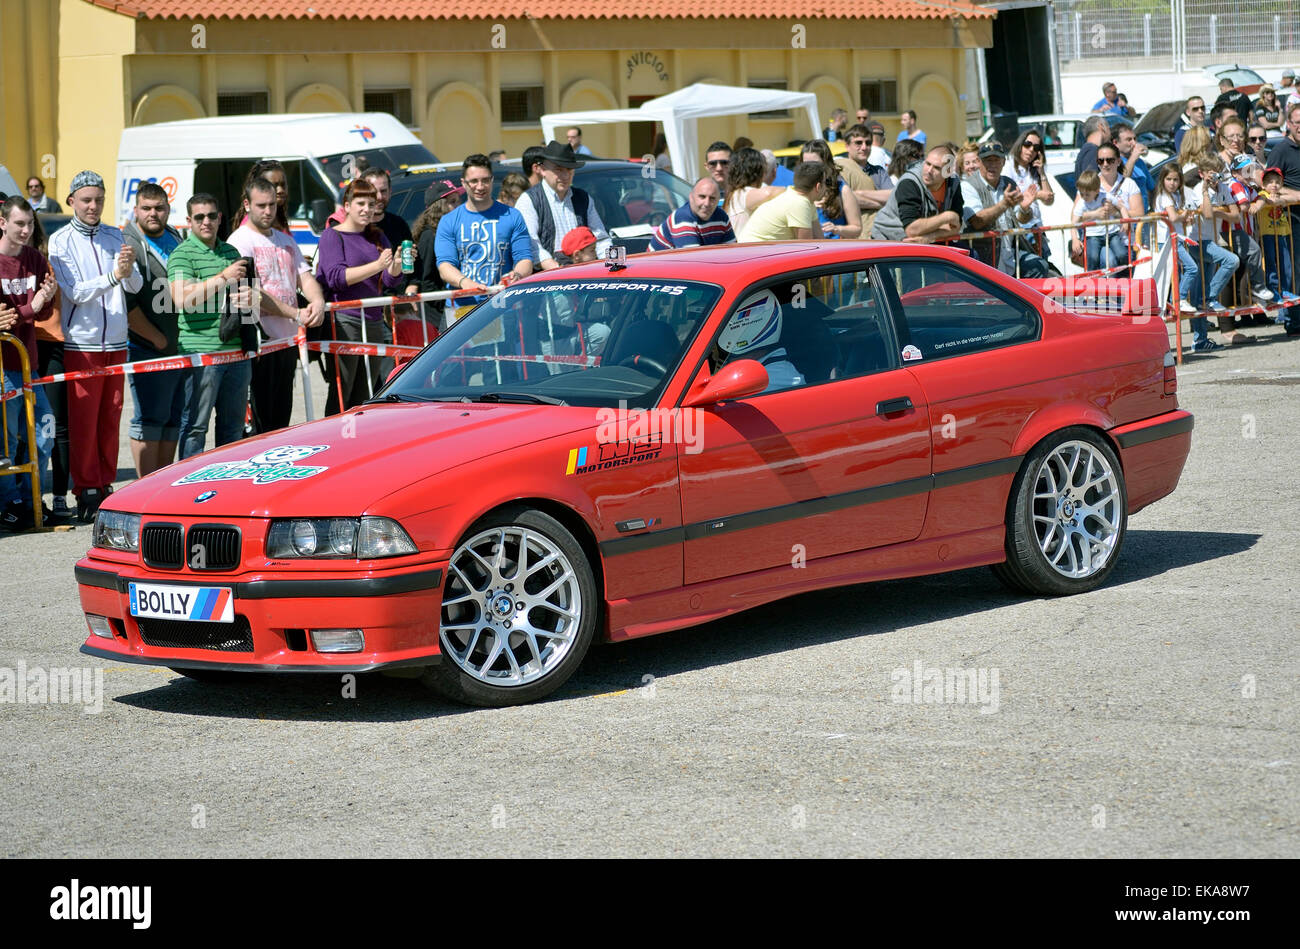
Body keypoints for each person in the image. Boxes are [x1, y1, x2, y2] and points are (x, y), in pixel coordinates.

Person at [46, 170, 142, 521]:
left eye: (99, 199)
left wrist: (128, 271)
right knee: (84, 421)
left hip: (116, 339)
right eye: (86, 199)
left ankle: (104, 484)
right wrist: (114, 276)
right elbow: (75, 292)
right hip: (81, 342)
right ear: (72, 200)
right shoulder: (59, 241)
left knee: (110, 417)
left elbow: (134, 285)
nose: (93, 206)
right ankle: (85, 488)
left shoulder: (115, 235)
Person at [228, 177, 327, 434]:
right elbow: (251, 293)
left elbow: (305, 277)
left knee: (280, 421)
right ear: (247, 204)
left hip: (286, 342)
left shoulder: (285, 240)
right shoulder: (240, 242)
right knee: (260, 425)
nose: (268, 211)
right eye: (261, 205)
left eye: (272, 204)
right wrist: (296, 313)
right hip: (260, 344)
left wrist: (317, 301)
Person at [166, 193, 256, 458]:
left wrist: (251, 297)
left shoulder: (232, 251)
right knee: (195, 428)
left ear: (220, 218)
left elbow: (247, 296)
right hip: (201, 354)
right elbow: (181, 298)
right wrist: (223, 277)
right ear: (189, 221)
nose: (206, 221)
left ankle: (226, 489)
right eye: (199, 217)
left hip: (237, 352)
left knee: (233, 429)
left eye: (212, 216)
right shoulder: (182, 254)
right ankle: (188, 491)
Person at [315, 179, 410, 413]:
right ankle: (334, 438)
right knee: (342, 391)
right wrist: (378, 265)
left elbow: (388, 281)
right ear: (346, 206)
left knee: (366, 390)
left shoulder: (377, 236)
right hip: (344, 320)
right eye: (360, 203)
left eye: (371, 204)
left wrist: (395, 265)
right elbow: (336, 277)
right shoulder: (332, 236)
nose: (367, 209)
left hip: (374, 320)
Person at [0, 197, 60, 529]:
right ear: (3, 223)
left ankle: (32, 494)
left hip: (29, 365)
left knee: (43, 432)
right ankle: (10, 503)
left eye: (31, 224)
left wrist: (45, 300)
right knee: (6, 439)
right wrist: (33, 304)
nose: (26, 230)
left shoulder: (35, 258)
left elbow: (41, 314)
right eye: (20, 223)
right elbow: (5, 320)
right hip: (4, 365)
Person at [120, 182, 185, 477]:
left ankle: (164, 482)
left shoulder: (175, 236)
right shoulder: (127, 244)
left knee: (173, 420)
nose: (153, 214)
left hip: (179, 347)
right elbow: (127, 305)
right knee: (150, 420)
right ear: (135, 210)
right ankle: (146, 486)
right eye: (146, 208)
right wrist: (156, 338)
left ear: (168, 209)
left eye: (159, 208)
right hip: (147, 347)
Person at [435, 153, 533, 324]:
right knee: (463, 353)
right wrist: (465, 283)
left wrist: (517, 274)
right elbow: (444, 266)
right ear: (464, 183)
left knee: (506, 351)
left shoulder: (512, 216)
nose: (480, 186)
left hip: (503, 306)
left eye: (485, 180)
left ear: (492, 180)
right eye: (473, 181)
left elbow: (525, 259)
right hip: (462, 309)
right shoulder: (449, 221)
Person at [1153, 164, 1221, 351]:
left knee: (1182, 274)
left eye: (1176, 180)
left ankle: (1179, 299)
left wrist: (1186, 218)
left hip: (1178, 239)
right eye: (1169, 179)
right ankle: (1180, 299)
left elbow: (1179, 218)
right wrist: (1184, 216)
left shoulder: (1177, 195)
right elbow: (1174, 217)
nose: (1173, 183)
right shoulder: (1164, 196)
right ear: (1163, 180)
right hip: (1169, 241)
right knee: (1192, 268)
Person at [1185, 161, 1251, 343]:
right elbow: (1207, 214)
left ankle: (1201, 340)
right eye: (1210, 173)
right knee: (1231, 260)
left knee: (1198, 296)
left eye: (1218, 173)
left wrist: (1219, 213)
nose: (1215, 177)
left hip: (1209, 239)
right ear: (1202, 173)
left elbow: (1236, 215)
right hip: (1197, 240)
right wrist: (1206, 190)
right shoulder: (1199, 189)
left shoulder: (1223, 188)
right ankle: (1211, 297)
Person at [517, 141, 610, 270]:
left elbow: (601, 238)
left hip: (584, 273)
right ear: (543, 170)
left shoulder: (583, 198)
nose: (566, 176)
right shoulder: (528, 200)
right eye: (559, 170)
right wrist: (554, 267)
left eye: (570, 170)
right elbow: (531, 243)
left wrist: (609, 263)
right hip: (547, 278)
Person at [960, 142, 1046, 276]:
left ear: (1004, 162)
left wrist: (1024, 209)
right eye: (988, 161)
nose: (992, 165)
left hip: (1009, 255)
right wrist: (1004, 204)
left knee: (1038, 266)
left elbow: (1021, 218)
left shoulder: (1009, 183)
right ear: (979, 162)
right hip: (981, 259)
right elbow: (977, 221)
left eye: (996, 160)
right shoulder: (967, 186)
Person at [871, 143, 963, 244]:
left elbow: (955, 227)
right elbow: (912, 230)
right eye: (927, 163)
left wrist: (930, 236)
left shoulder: (953, 183)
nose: (929, 171)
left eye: (936, 168)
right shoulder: (910, 182)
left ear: (948, 172)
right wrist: (946, 217)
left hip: (921, 242)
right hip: (886, 240)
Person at [407, 180, 463, 340]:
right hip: (438, 313)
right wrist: (446, 303)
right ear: (439, 207)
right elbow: (427, 280)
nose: (459, 206)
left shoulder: (452, 231)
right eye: (452, 202)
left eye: (458, 200)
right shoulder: (429, 236)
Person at [1215, 155, 1273, 307]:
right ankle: (1258, 287)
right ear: (1235, 173)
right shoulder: (1235, 185)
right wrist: (1254, 204)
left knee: (1243, 267)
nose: (1250, 174)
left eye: (1251, 170)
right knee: (1253, 253)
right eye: (1245, 171)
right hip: (1232, 231)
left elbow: (1261, 197)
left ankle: (1252, 299)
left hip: (1243, 230)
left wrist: (1258, 204)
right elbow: (1244, 206)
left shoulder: (1247, 186)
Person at [1267, 101, 1300, 335]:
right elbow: (1269, 187)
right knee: (1296, 272)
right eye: (1298, 122)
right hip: (1291, 220)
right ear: (1288, 124)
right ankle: (1295, 321)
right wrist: (1297, 195)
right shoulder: (1280, 151)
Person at [738, 162, 824, 242]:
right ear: (818, 187)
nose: (828, 187)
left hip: (755, 251)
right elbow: (808, 247)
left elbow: (820, 240)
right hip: (752, 252)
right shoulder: (799, 202)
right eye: (827, 182)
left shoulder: (801, 198)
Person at [834, 125, 893, 234]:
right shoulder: (839, 169)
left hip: (881, 231)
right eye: (858, 143)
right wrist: (880, 203)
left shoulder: (879, 172)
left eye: (868, 143)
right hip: (852, 234)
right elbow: (840, 200)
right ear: (847, 146)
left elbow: (892, 196)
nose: (864, 147)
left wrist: (859, 193)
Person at [649, 177, 735, 250]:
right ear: (691, 197)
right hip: (654, 268)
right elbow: (693, 262)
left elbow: (732, 252)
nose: (707, 203)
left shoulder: (722, 217)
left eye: (712, 198)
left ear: (718, 200)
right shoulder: (682, 218)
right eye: (702, 197)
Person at [1008, 128, 1056, 259]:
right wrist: (1037, 195)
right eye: (1027, 144)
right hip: (1020, 229)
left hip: (1036, 227)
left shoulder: (1033, 169)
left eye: (1036, 148)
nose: (1031, 150)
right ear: (1020, 144)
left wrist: (1042, 173)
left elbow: (1049, 199)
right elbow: (1009, 197)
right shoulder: (1009, 165)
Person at [801, 140, 862, 239]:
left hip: (833, 249)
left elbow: (857, 228)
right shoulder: (799, 190)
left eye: (815, 164)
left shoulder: (842, 189)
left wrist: (837, 229)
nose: (810, 169)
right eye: (806, 165)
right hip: (808, 249)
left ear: (826, 164)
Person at [1257, 166, 1298, 306]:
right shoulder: (1262, 194)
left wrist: (1280, 199)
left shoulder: (1280, 195)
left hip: (1281, 232)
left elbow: (1293, 197)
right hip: (1267, 233)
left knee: (1285, 263)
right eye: (1270, 182)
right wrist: (1274, 200)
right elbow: (1265, 200)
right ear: (1263, 184)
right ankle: (1273, 290)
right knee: (1270, 263)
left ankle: (1285, 290)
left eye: (1277, 182)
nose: (1274, 185)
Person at [1114, 124, 1155, 208]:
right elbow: (1122, 181)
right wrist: (1133, 158)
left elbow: (1152, 188)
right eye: (1129, 140)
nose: (1134, 143)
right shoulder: (1113, 162)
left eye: (1135, 139)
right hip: (1127, 216)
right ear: (1116, 143)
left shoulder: (1140, 162)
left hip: (1143, 217)